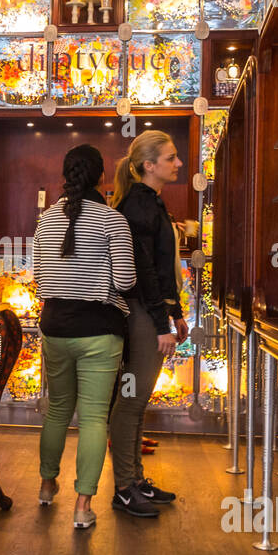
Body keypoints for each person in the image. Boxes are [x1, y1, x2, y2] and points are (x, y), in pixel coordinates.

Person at [32, 144, 136, 529]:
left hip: (55, 327)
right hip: (99, 330)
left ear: (65, 175)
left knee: (58, 409)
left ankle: (46, 486)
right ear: (102, 178)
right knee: (93, 417)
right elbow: (125, 281)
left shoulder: (46, 220)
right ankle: (82, 507)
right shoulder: (112, 221)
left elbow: (40, 281)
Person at [107, 130, 189, 517]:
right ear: (149, 165)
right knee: (130, 402)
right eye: (171, 158)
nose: (179, 164)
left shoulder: (148, 203)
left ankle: (135, 480)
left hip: (148, 313)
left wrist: (175, 313)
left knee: (135, 402)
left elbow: (159, 270)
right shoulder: (139, 208)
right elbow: (143, 275)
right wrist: (162, 323)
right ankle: (124, 487)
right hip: (141, 315)